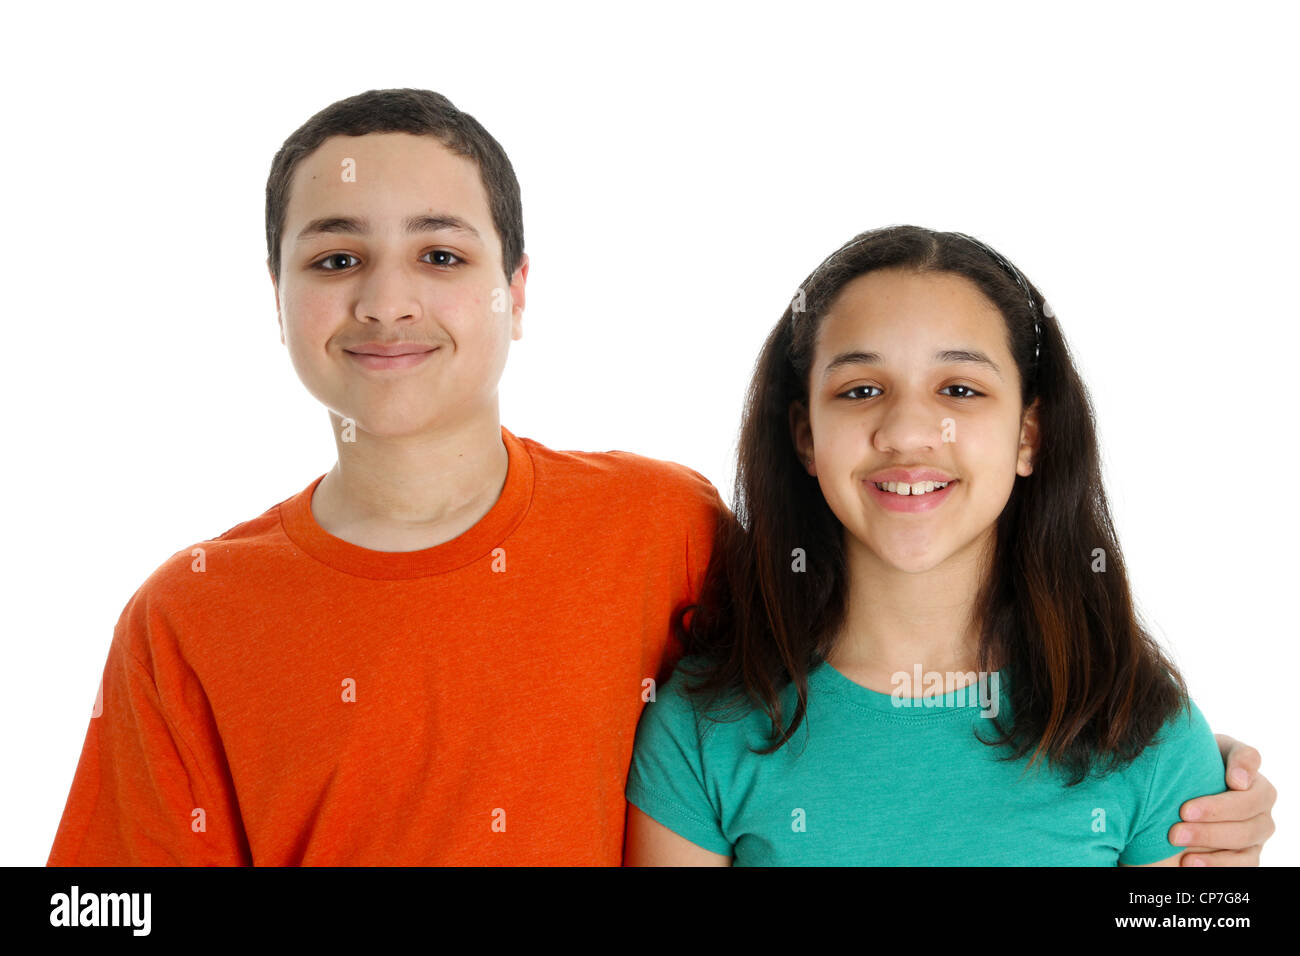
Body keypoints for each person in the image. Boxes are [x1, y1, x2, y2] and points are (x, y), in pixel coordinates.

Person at [46, 90, 1272, 866]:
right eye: (333, 258)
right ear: (273, 297)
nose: (386, 299)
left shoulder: (662, 527)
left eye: (442, 254)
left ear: (517, 290)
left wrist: (1172, 766)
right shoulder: (188, 614)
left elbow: (878, 646)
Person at [624, 225, 1276, 865]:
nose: (909, 432)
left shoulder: (1148, 735)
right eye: (861, 390)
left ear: (1028, 435)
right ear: (806, 437)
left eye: (960, 390)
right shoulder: (703, 727)